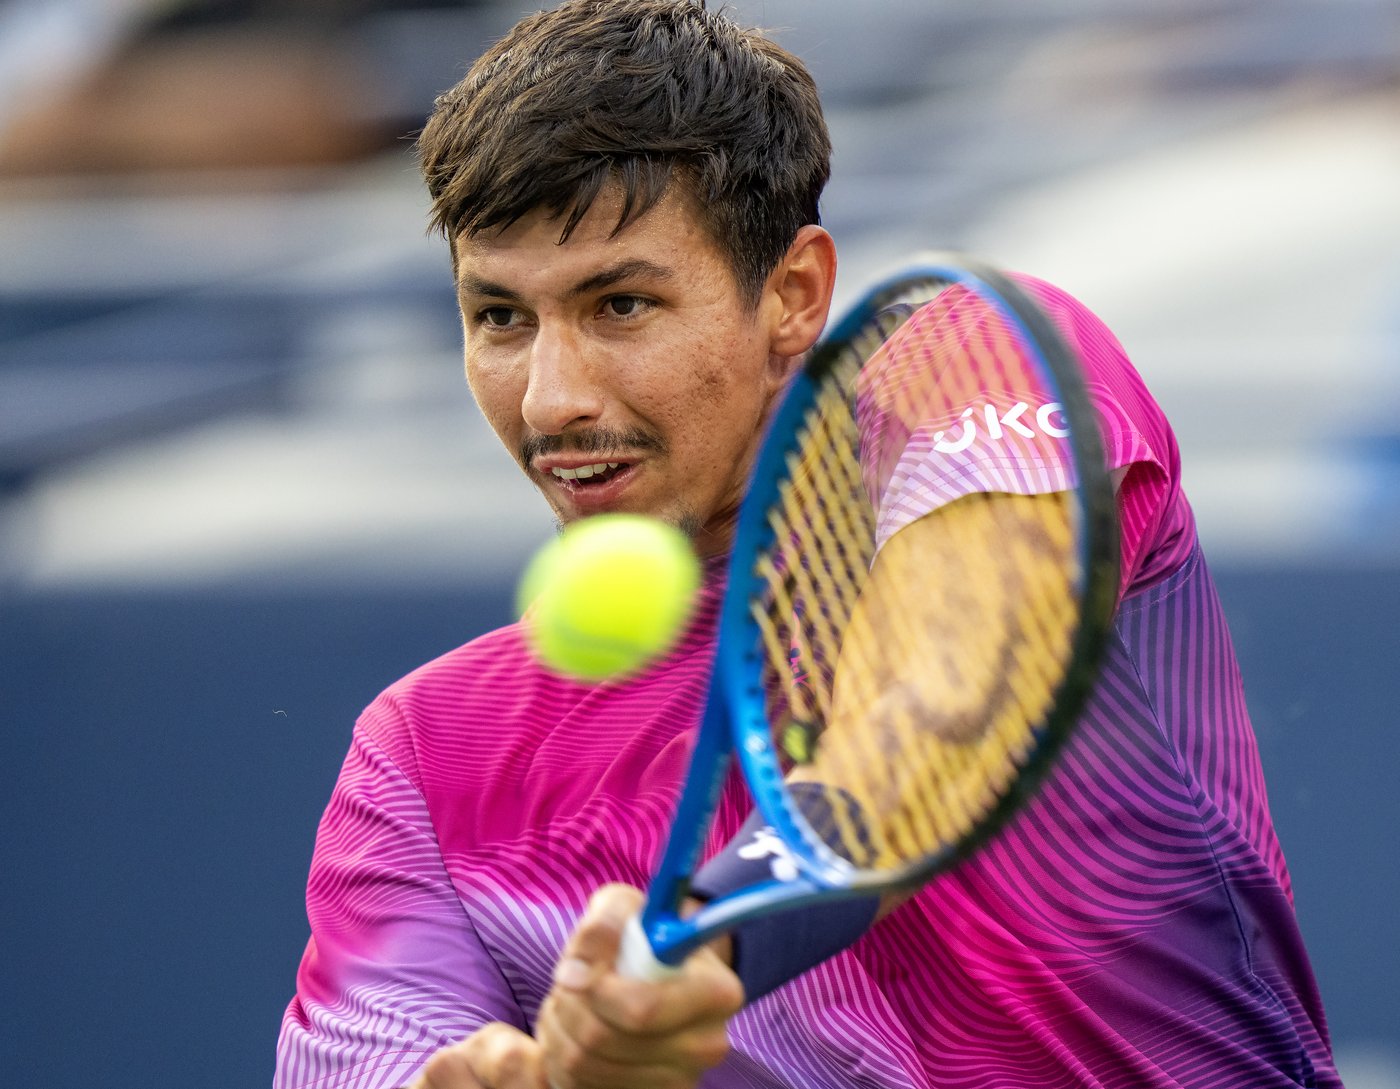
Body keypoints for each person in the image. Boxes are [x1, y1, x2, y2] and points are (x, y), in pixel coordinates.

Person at [275, 2, 1343, 1087]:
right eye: (500, 318)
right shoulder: (421, 756)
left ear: (791, 296)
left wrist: (697, 946)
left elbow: (933, 725)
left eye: (622, 305)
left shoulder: (973, 366)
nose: (550, 401)